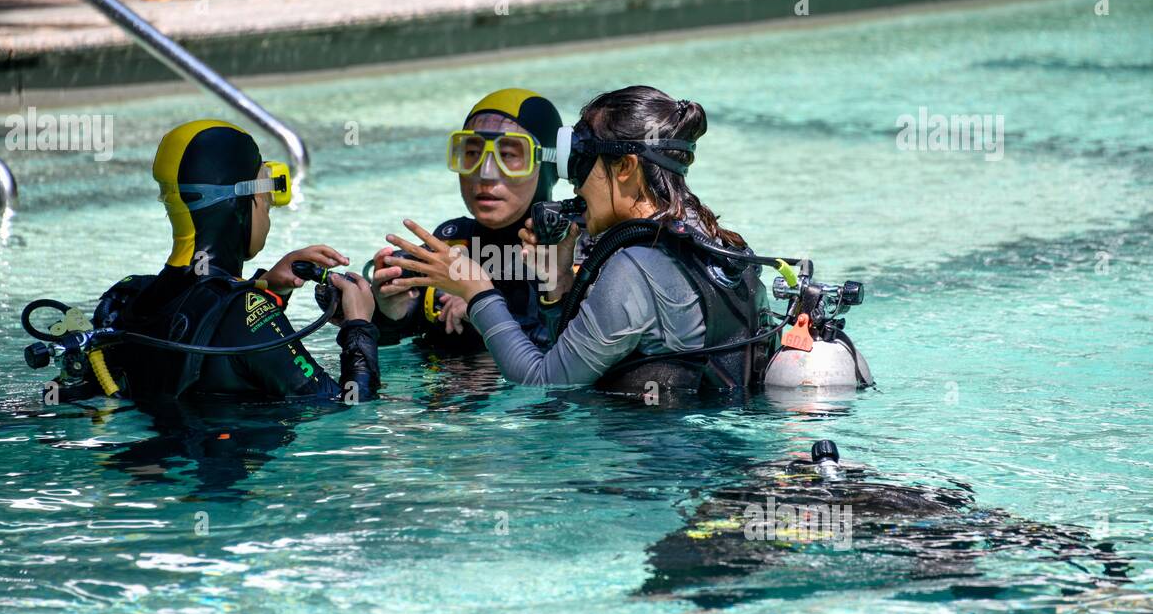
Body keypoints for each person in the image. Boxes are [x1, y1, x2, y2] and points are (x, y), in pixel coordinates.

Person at [382, 86, 775, 396]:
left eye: (580, 162)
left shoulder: (634, 268)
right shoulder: (722, 246)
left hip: (655, 481)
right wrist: (558, 287)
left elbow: (544, 382)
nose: (573, 181)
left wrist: (478, 293)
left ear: (625, 167)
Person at [91, 120, 379, 402]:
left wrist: (267, 290)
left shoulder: (126, 297)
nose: (267, 214)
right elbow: (349, 403)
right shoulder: (248, 319)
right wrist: (358, 326)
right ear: (243, 202)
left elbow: (207, 318)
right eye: (266, 200)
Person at [367, 88, 565, 352]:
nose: (485, 174)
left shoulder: (569, 248)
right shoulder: (451, 241)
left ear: (549, 165)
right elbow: (407, 340)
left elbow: (577, 353)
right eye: (472, 154)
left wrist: (484, 309)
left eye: (507, 156)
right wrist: (392, 313)